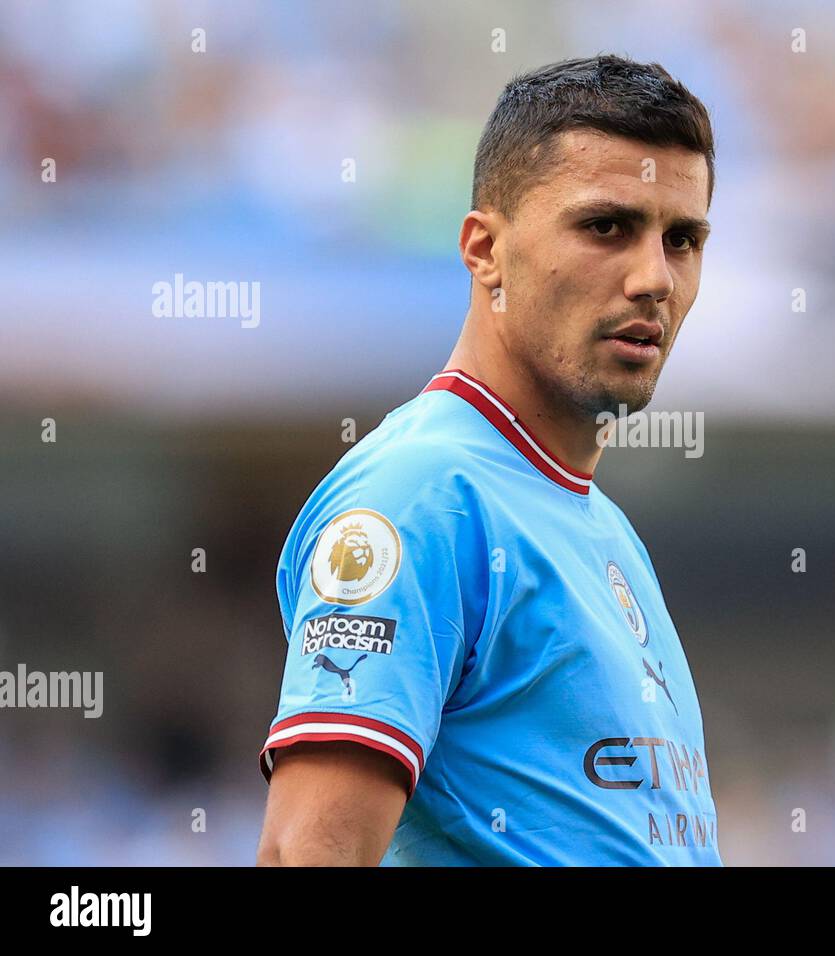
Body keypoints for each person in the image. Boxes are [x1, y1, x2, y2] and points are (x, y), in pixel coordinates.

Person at [255, 54, 721, 865]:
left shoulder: (599, 525)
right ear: (484, 250)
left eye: (681, 239)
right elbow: (307, 853)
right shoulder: (421, 494)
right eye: (606, 227)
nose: (654, 279)